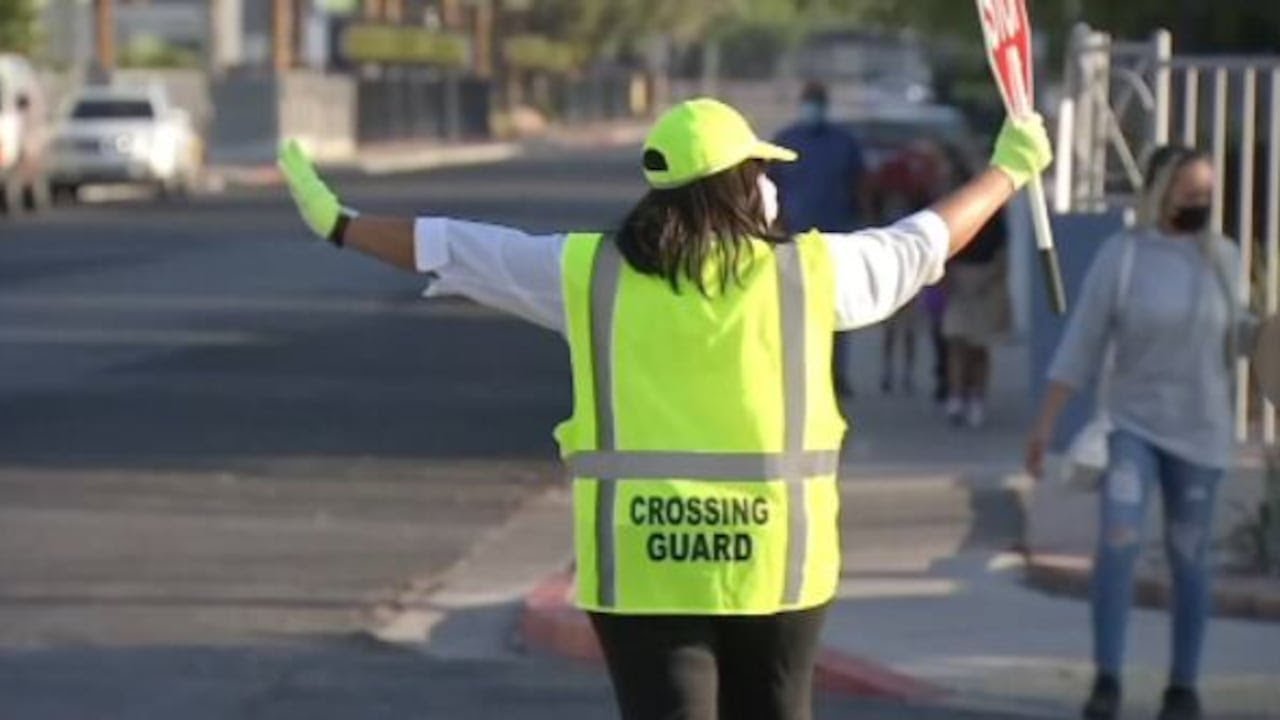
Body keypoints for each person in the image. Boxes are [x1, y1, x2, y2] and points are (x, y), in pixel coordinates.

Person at [279, 97, 1051, 720]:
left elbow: (453, 245)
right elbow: (923, 242)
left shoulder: (587, 273)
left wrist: (341, 224)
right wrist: (1008, 171)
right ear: (741, 185)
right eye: (759, 170)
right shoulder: (812, 273)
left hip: (644, 566)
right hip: (774, 567)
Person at [1025, 146, 1258, 720]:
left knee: (1189, 557)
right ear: (1160, 192)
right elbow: (1080, 343)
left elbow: (1243, 341)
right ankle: (1107, 678)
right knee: (1119, 540)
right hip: (1133, 425)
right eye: (1188, 191)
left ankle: (1184, 685)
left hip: (1201, 431)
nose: (1199, 202)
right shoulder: (1122, 257)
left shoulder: (1223, 259)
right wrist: (1045, 424)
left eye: (1207, 192)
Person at [769, 81, 868, 397]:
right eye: (809, 101)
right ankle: (799, 375)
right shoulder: (785, 143)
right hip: (792, 241)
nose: (812, 107)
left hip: (834, 240)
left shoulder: (843, 144)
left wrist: (863, 225)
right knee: (794, 313)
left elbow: (860, 187)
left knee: (834, 312)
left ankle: (835, 375)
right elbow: (768, 189)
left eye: (817, 102)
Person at [872, 139, 955, 396]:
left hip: (910, 270)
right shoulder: (896, 199)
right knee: (896, 327)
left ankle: (903, 373)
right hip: (896, 269)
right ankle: (892, 372)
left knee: (908, 328)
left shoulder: (920, 200)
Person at [942, 209, 1010, 427]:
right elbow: (947, 252)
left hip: (986, 283)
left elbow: (1003, 256)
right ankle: (956, 398)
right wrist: (947, 281)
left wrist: (992, 279)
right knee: (956, 343)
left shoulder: (996, 221)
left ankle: (977, 400)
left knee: (979, 347)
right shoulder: (957, 216)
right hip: (959, 282)